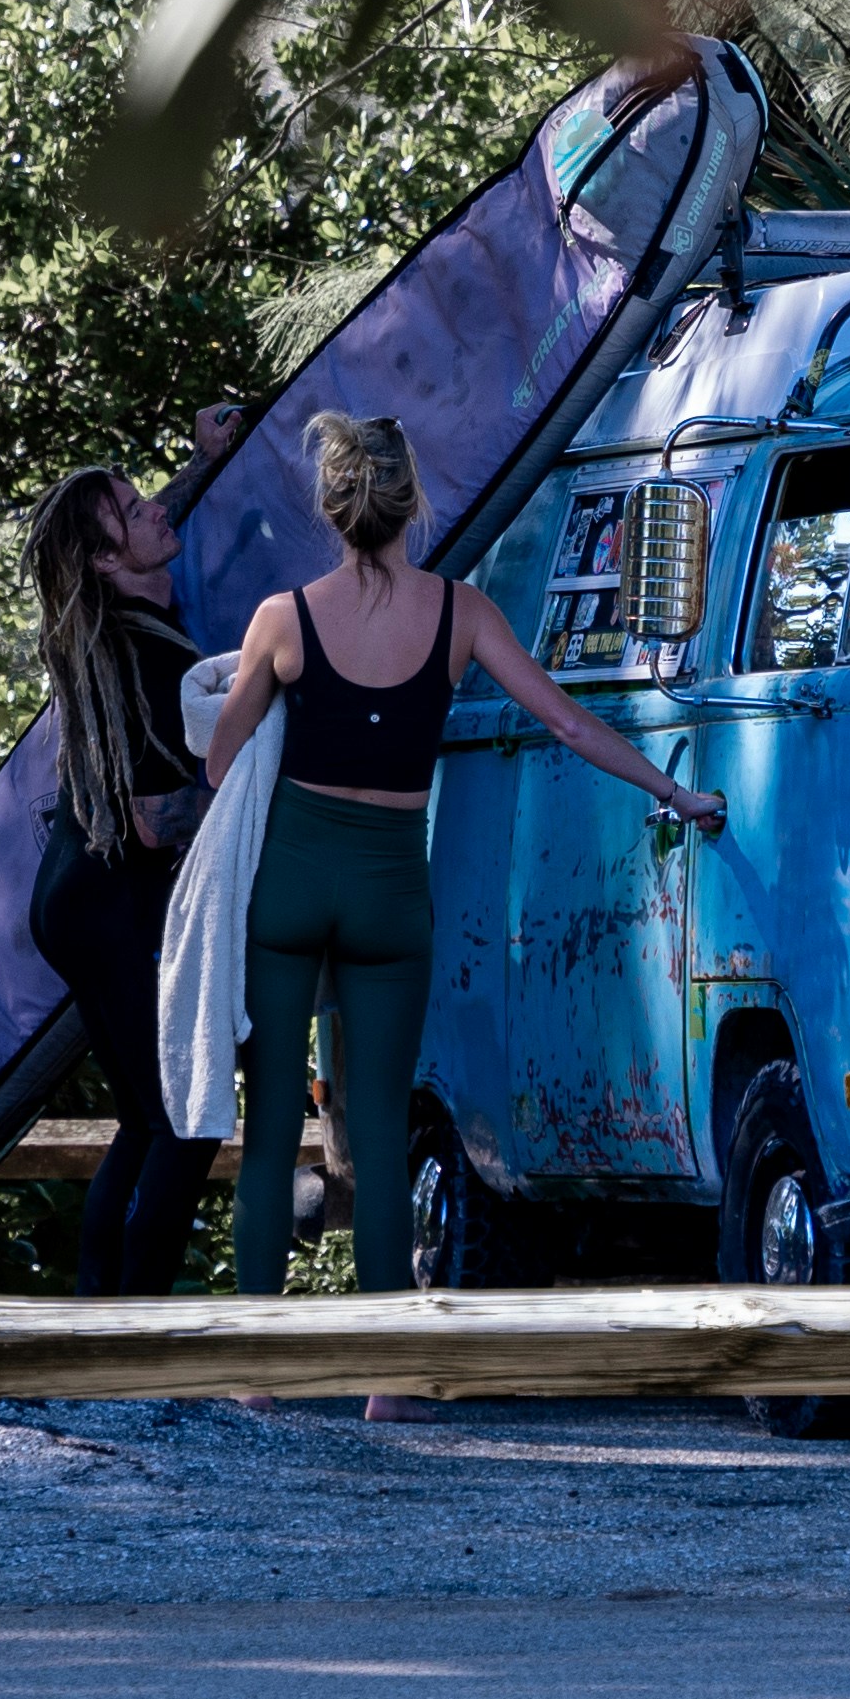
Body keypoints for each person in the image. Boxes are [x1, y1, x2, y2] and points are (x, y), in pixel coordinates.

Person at [202, 411, 728, 1351]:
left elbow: (220, 763)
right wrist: (676, 791)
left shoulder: (281, 620)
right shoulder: (461, 613)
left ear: (331, 507)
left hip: (292, 878)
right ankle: (389, 1377)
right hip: (391, 889)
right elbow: (568, 725)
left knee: (274, 1125)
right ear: (415, 506)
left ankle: (249, 1370)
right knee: (382, 1133)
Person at [23, 406, 242, 1298]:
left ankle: (98, 1324)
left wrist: (204, 464)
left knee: (146, 1119)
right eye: (132, 509)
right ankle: (138, 1336)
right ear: (109, 562)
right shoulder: (145, 660)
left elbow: (153, 526)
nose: (156, 506)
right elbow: (157, 821)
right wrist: (261, 786)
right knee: (181, 1121)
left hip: (80, 897)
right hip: (110, 908)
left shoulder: (124, 615)